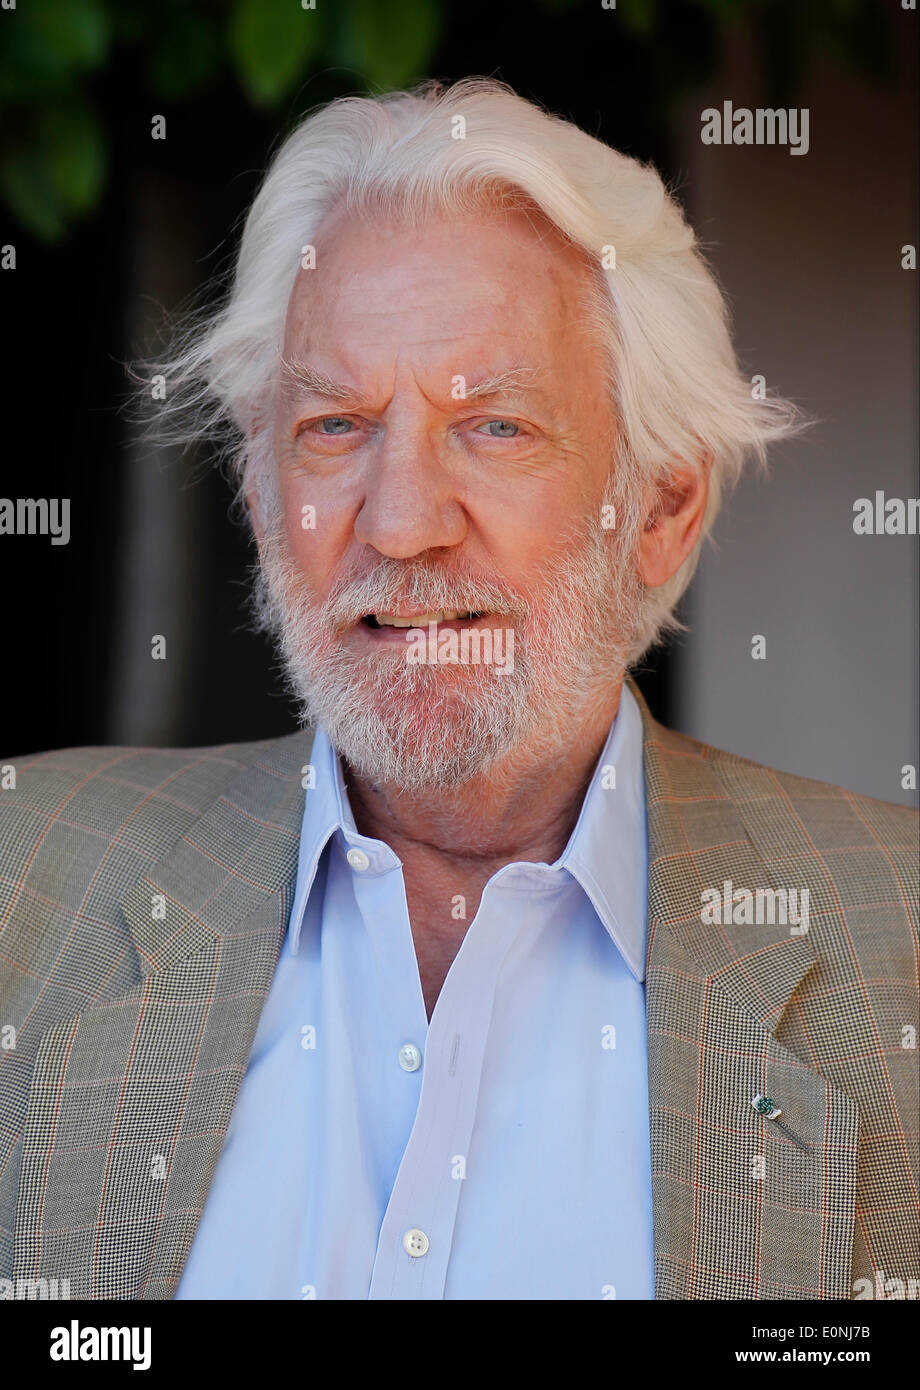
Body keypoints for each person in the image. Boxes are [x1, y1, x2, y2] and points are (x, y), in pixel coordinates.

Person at [0, 78, 916, 1302]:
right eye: (334, 425)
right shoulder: (23, 880)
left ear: (657, 509)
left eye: (492, 426)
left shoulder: (895, 945)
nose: (401, 521)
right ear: (263, 496)